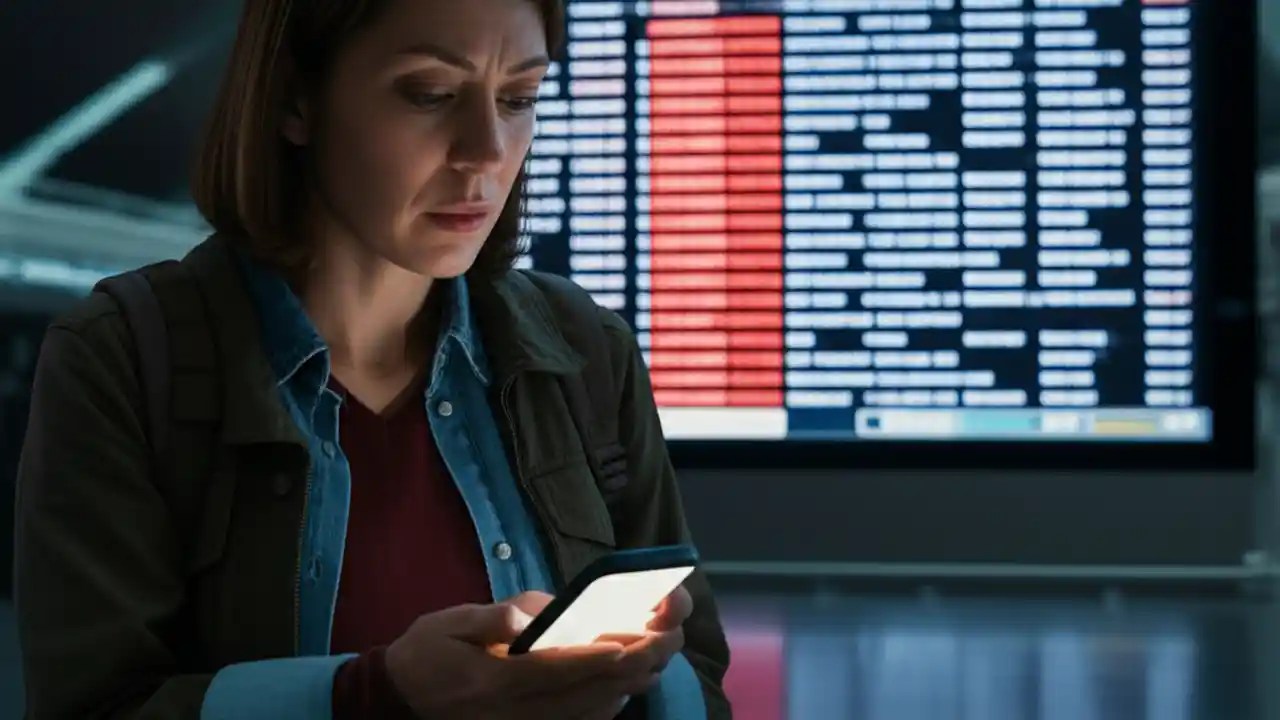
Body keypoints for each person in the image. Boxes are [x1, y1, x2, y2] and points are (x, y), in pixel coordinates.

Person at [12, 0, 732, 718]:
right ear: (295, 99)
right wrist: (378, 696)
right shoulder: (123, 361)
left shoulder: (585, 348)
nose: (486, 149)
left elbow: (697, 673)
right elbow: (93, 706)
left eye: (519, 98)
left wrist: (628, 679)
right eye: (431, 94)